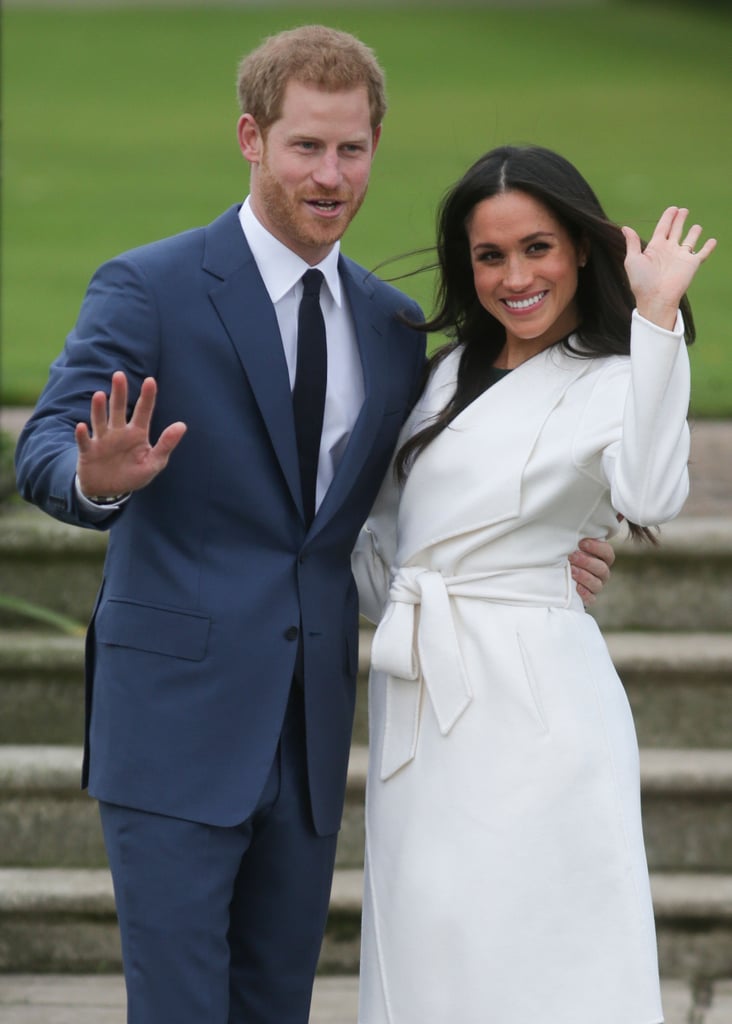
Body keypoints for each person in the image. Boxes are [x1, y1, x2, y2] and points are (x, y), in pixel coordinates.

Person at [13, 25, 613, 1022]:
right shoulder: (149, 286)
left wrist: (539, 552)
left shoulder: (390, 325)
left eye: (352, 148)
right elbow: (39, 455)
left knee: (275, 1004)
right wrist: (94, 474)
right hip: (173, 723)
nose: (331, 175)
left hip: (308, 728)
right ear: (251, 138)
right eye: (305, 146)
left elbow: (417, 502)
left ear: (376, 146)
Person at [353, 144, 715, 1024]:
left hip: (536, 703)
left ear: (581, 250)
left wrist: (657, 319)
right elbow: (385, 553)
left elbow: (652, 492)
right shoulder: (442, 378)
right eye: (490, 255)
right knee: (429, 933)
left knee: (539, 938)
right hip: (422, 692)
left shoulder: (617, 376)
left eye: (538, 248)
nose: (515, 277)